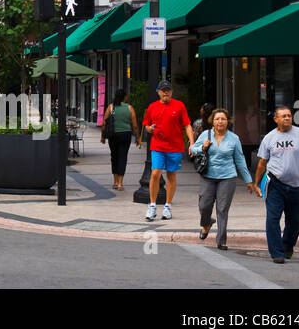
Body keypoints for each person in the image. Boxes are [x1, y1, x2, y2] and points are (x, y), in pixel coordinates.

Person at [254, 105, 299, 263]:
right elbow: (262, 163)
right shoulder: (269, 138)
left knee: (296, 220)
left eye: (289, 115)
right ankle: (277, 253)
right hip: (275, 184)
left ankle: (288, 245)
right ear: (276, 119)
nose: (287, 118)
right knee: (272, 218)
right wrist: (256, 183)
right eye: (283, 116)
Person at [193, 108, 257, 250]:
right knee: (204, 206)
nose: (220, 122)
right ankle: (207, 223)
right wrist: (202, 147)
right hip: (207, 176)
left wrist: (248, 180)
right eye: (217, 119)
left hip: (228, 177)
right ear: (212, 121)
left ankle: (221, 240)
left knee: (222, 209)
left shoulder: (234, 138)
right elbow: (192, 149)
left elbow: (240, 160)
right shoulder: (206, 134)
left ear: (228, 121)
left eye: (223, 119)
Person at [141, 80, 195, 221]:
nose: (166, 92)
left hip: (175, 147)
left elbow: (187, 125)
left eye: (168, 90)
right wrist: (149, 129)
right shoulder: (152, 107)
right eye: (163, 90)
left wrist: (192, 143)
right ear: (158, 92)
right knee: (155, 173)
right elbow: (146, 124)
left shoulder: (179, 106)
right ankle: (152, 206)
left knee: (171, 176)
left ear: (171, 92)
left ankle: (167, 206)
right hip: (158, 146)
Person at [101, 89, 136, 191]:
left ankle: (115, 182)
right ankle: (120, 183)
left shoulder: (111, 107)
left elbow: (104, 123)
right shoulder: (129, 108)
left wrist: (103, 136)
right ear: (125, 97)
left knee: (114, 157)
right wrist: (138, 138)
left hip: (113, 136)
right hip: (125, 135)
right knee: (123, 157)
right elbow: (135, 125)